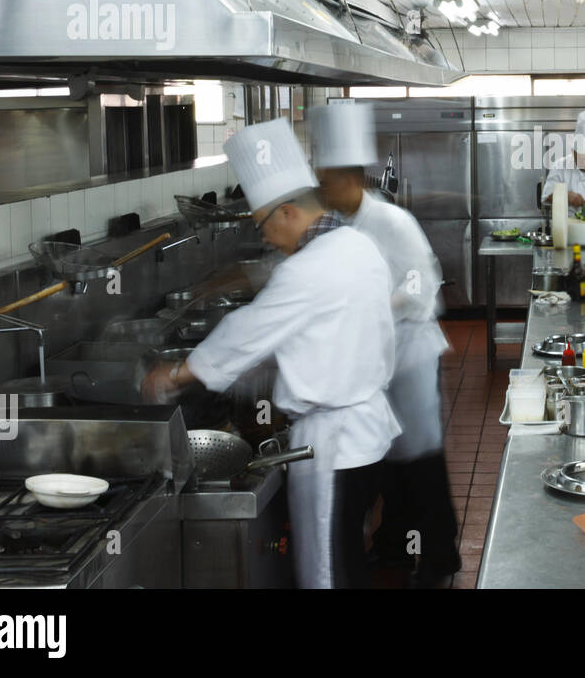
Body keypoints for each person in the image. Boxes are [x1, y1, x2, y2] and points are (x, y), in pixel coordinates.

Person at [141, 118, 398, 589]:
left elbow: (246, 333)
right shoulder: (358, 245)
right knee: (347, 561)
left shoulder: (307, 270)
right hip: (366, 435)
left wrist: (176, 372)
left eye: (262, 224)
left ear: (285, 212)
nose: (264, 237)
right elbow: (317, 337)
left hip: (333, 445)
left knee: (328, 575)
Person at [308, 100, 461, 588]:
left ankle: (440, 557)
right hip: (374, 361)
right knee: (386, 458)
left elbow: (423, 285)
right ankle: (394, 545)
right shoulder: (337, 225)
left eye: (327, 178)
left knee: (420, 459)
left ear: (350, 177)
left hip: (411, 356)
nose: (322, 188)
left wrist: (367, 308)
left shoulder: (391, 222)